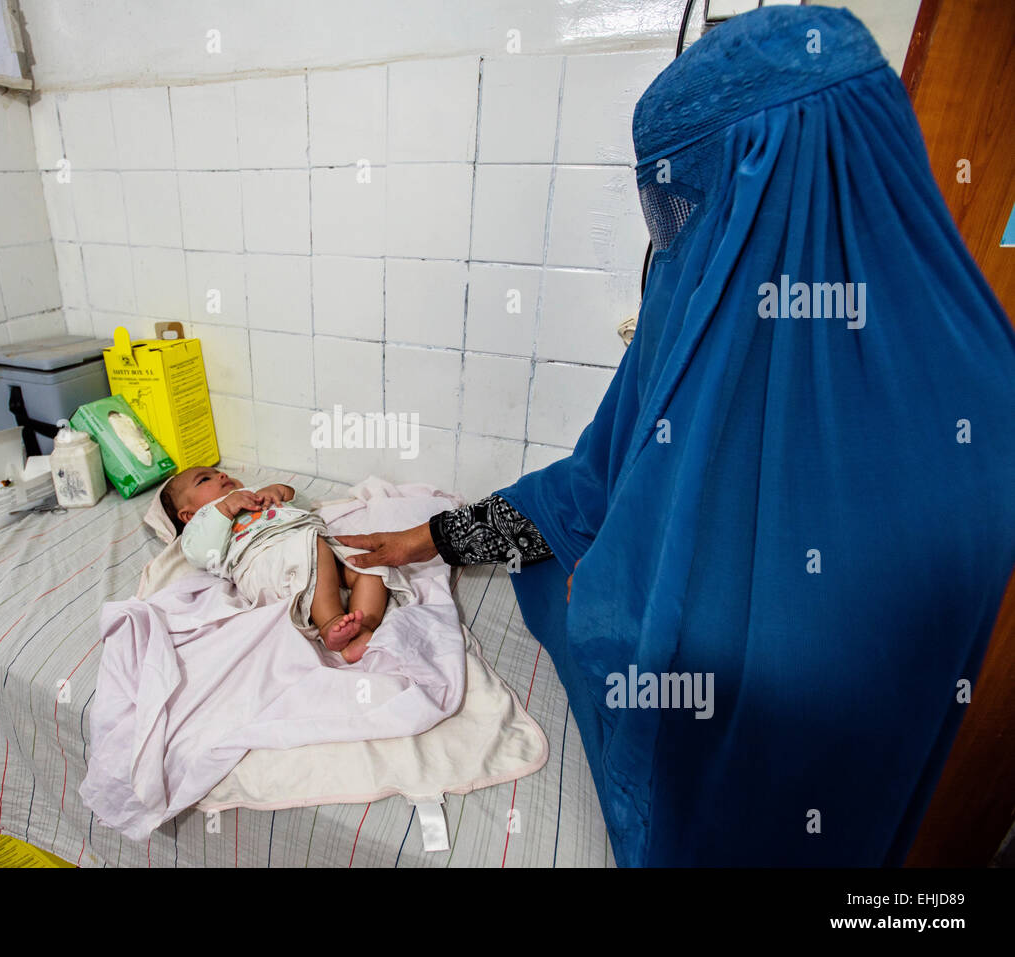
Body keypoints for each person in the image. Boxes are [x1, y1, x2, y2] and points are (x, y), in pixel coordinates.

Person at [337, 4, 1015, 866]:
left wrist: (618, 600)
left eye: (690, 199)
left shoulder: (968, 425)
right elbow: (593, 479)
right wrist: (435, 535)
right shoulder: (714, 320)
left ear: (767, 180)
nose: (676, 237)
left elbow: (778, 663)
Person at [162, 467, 389, 662]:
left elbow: (303, 504)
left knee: (365, 563)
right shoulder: (199, 525)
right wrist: (225, 509)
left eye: (218, 472)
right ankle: (331, 622)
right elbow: (202, 554)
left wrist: (279, 490)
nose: (220, 476)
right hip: (265, 562)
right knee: (314, 546)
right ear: (187, 515)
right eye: (204, 479)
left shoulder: (253, 494)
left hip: (310, 548)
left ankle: (361, 631)